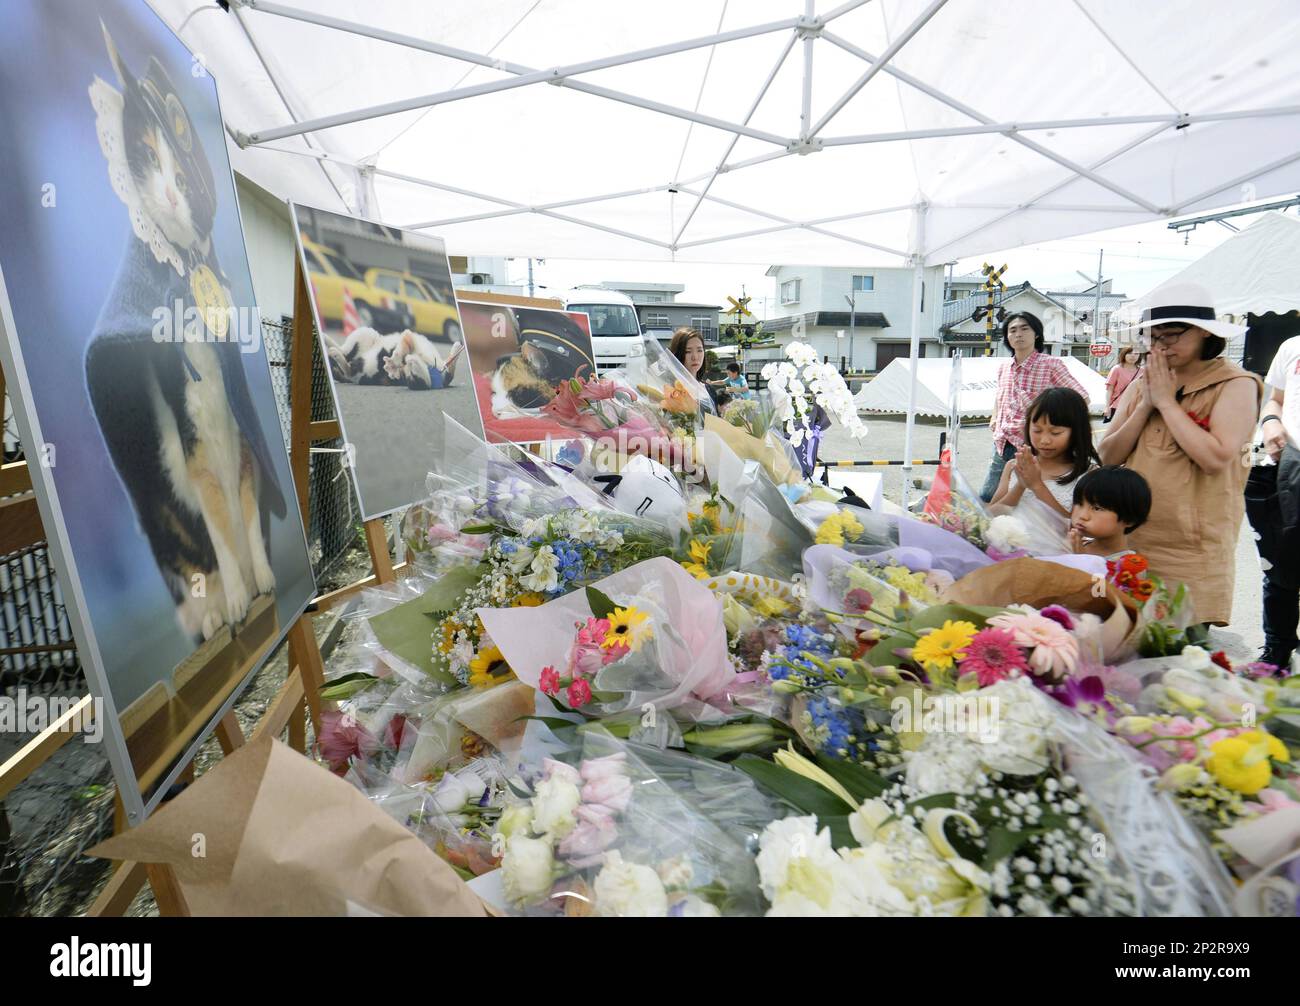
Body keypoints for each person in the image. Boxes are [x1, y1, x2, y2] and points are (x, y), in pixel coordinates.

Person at [1099, 281, 1262, 626]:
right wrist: (1145, 404)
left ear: (1204, 332)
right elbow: (1107, 456)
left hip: (1191, 554)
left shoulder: (1235, 384)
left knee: (1180, 660)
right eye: (1153, 337)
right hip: (1132, 540)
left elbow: (1216, 458)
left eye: (1170, 335)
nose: (1160, 345)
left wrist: (1166, 403)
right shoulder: (1148, 379)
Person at [980, 312, 1088, 502]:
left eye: (1024, 328)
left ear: (1036, 333)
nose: (1018, 334)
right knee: (989, 496)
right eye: (1012, 330)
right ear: (1007, 337)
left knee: (1025, 499)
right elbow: (1000, 395)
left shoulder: (1051, 364)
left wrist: (1052, 425)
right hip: (1002, 441)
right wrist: (994, 417)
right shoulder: (1003, 367)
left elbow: (1081, 398)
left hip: (1033, 444)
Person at [1245, 332, 1300, 671]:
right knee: (1280, 566)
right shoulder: (1292, 347)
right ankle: (1277, 649)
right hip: (1289, 466)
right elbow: (1274, 398)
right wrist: (1270, 422)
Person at [989, 387, 1099, 544]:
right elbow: (990, 515)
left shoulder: (1089, 474)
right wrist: (1020, 486)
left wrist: (1037, 485)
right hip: (1009, 556)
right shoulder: (1013, 465)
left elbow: (1077, 528)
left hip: (1055, 561)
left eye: (1055, 433)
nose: (1044, 440)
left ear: (1076, 431)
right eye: (1037, 430)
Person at [1066, 465, 1153, 560]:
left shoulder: (1129, 567)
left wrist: (1081, 559)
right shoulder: (1074, 544)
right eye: (1079, 503)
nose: (1082, 516)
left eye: (1097, 508)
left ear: (1129, 520)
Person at [669, 326, 718, 407]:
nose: (695, 357)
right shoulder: (669, 391)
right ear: (677, 354)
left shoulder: (709, 390)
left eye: (699, 350)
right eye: (688, 351)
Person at [1104, 346, 1140, 422]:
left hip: (1136, 407)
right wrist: (1107, 407)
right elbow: (1109, 389)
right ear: (1124, 354)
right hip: (1118, 406)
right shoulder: (1117, 369)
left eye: (1136, 354)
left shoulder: (1142, 371)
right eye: (1129, 353)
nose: (1133, 356)